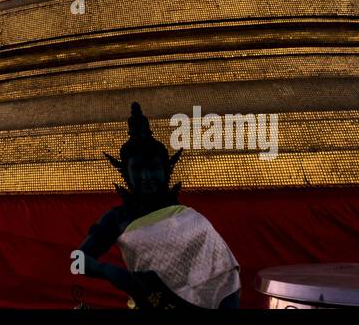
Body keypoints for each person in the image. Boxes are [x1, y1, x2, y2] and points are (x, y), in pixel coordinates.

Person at [78, 102, 240, 309]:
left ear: (166, 171)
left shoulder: (189, 218)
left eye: (153, 167)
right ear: (126, 174)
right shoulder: (118, 218)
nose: (146, 177)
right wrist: (108, 271)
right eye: (137, 168)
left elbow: (224, 275)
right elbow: (75, 261)